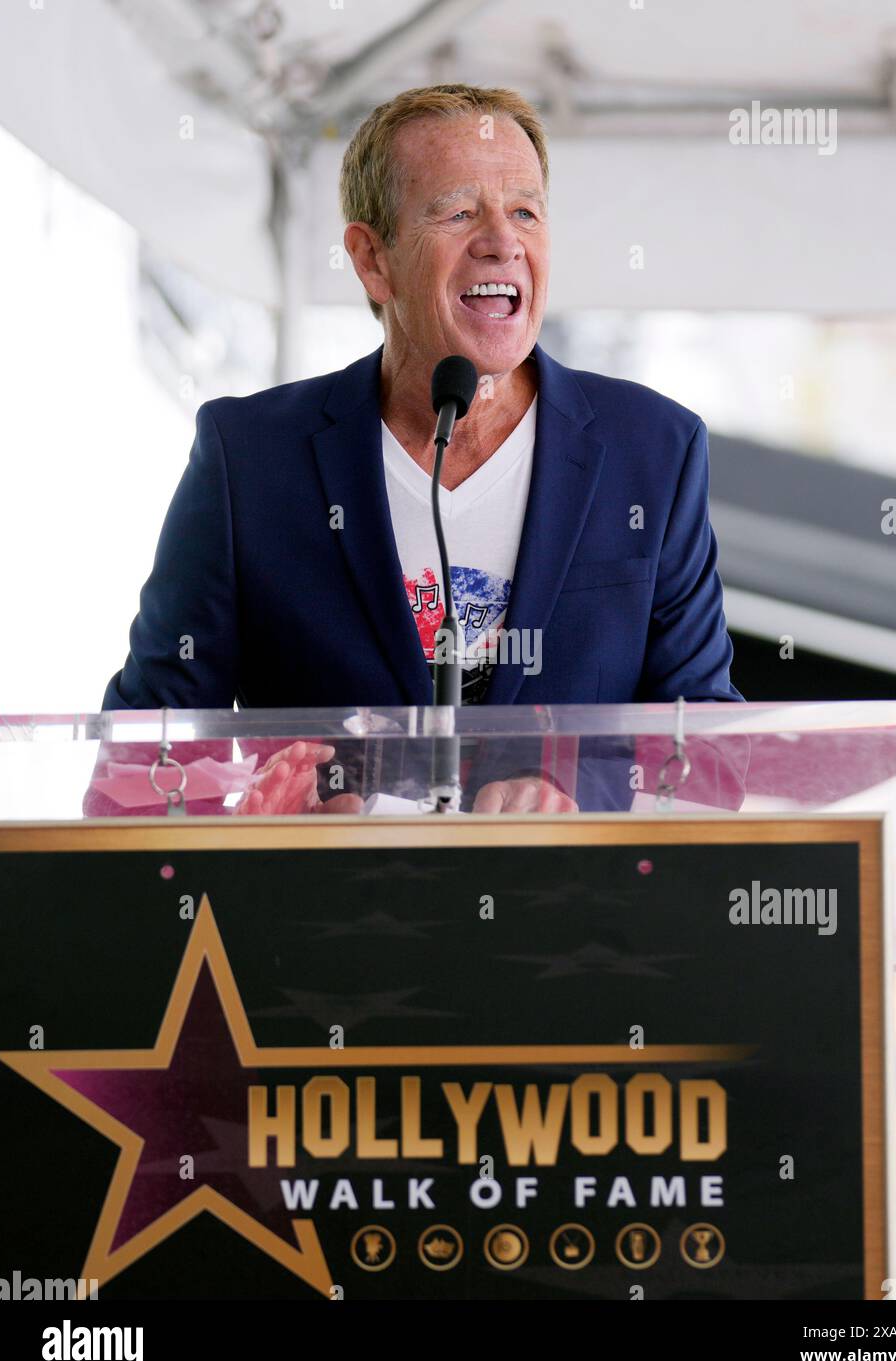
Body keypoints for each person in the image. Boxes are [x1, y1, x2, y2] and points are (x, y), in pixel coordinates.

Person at [95, 84, 742, 818]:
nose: (503, 240)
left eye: (525, 211)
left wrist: (572, 795)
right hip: (321, 921)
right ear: (372, 260)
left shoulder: (651, 452)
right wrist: (253, 811)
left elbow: (706, 761)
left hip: (571, 922)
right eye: (459, 211)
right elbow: (141, 767)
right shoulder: (250, 460)